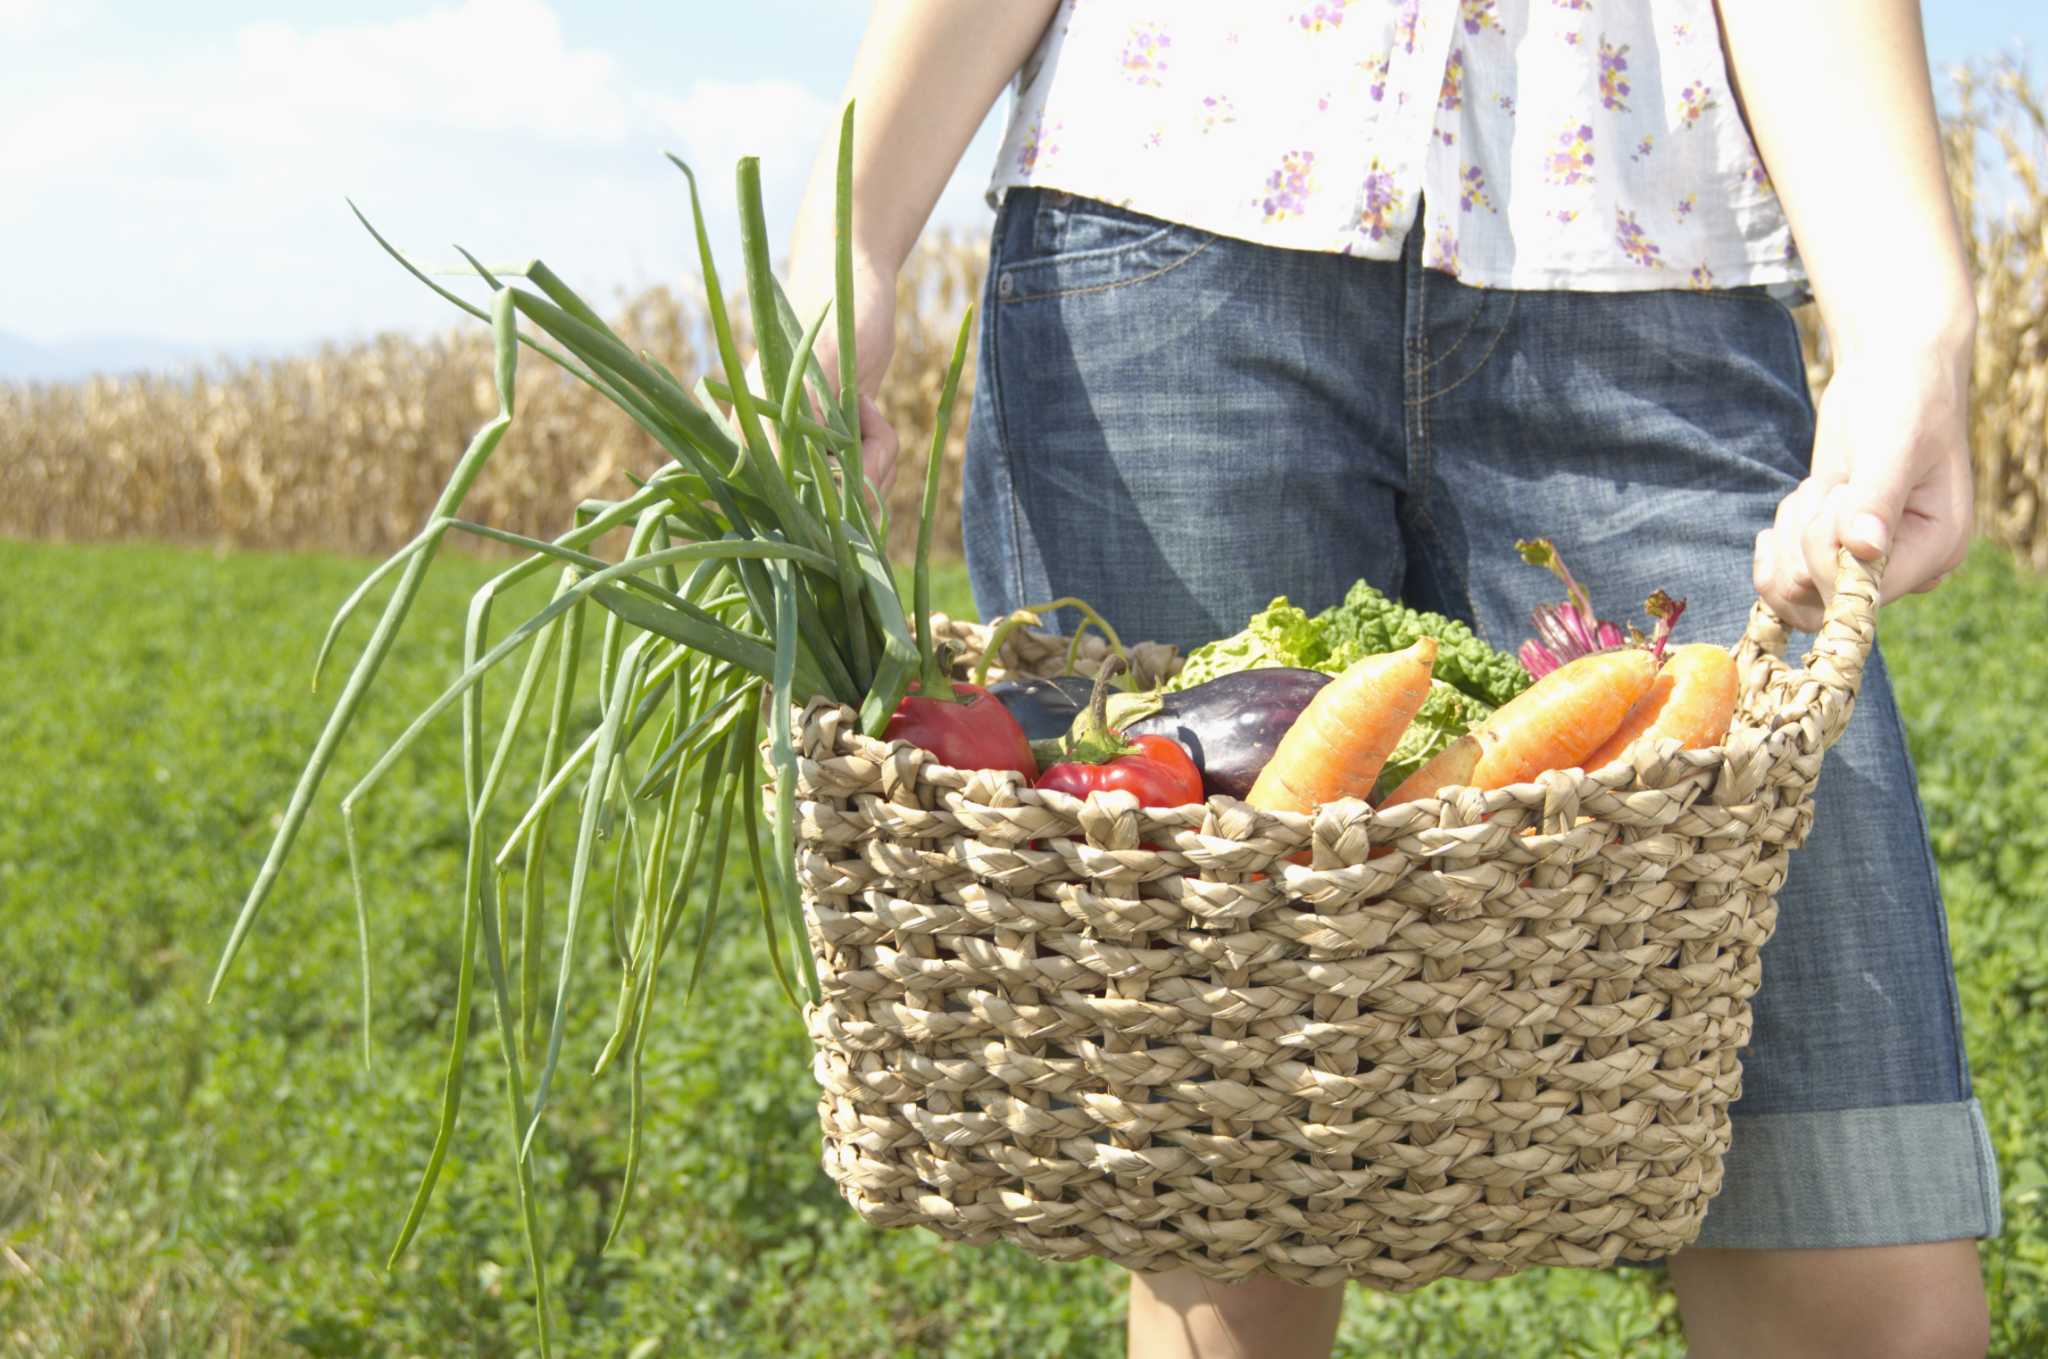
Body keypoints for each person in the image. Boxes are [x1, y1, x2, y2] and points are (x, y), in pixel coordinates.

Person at [781, 4, 2000, 1355]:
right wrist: (856, 225)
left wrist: (1909, 320)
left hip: (1646, 241)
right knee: (1229, 1223)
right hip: (1174, 208)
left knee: (1859, 1254)